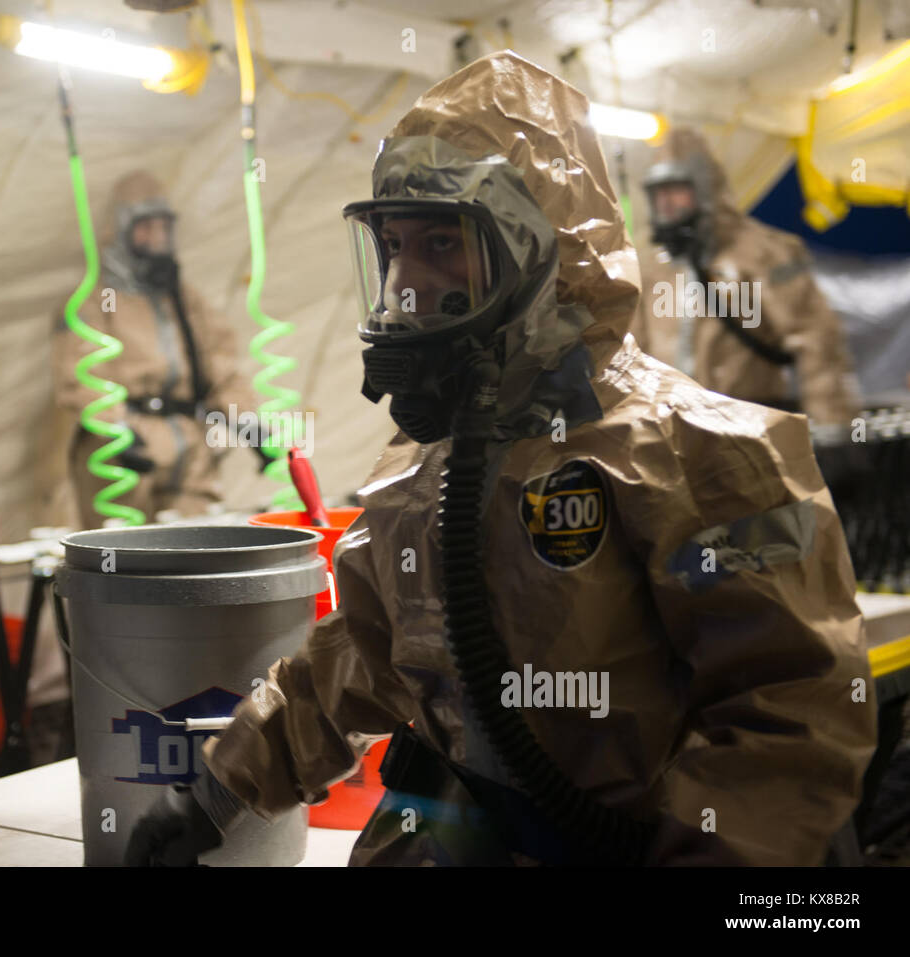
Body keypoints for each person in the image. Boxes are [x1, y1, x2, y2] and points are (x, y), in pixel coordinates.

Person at [124, 52, 877, 867]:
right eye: (395, 247)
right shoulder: (426, 467)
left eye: (443, 243)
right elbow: (359, 656)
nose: (408, 284)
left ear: (538, 252)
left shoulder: (706, 455)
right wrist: (213, 793)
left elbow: (793, 708)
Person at [51, 170, 261, 530]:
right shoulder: (94, 303)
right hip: (123, 449)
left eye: (164, 227)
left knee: (202, 544)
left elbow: (221, 370)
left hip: (189, 443)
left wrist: (252, 427)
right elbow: (80, 379)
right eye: (144, 227)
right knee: (128, 558)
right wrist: (117, 431)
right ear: (119, 231)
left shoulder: (186, 300)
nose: (157, 238)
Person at [632, 128, 861, 442]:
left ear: (704, 189)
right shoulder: (652, 268)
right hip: (670, 436)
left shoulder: (763, 253)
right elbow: (633, 357)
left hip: (749, 433)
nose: (665, 203)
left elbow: (816, 341)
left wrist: (834, 428)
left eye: (675, 189)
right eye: (658, 193)